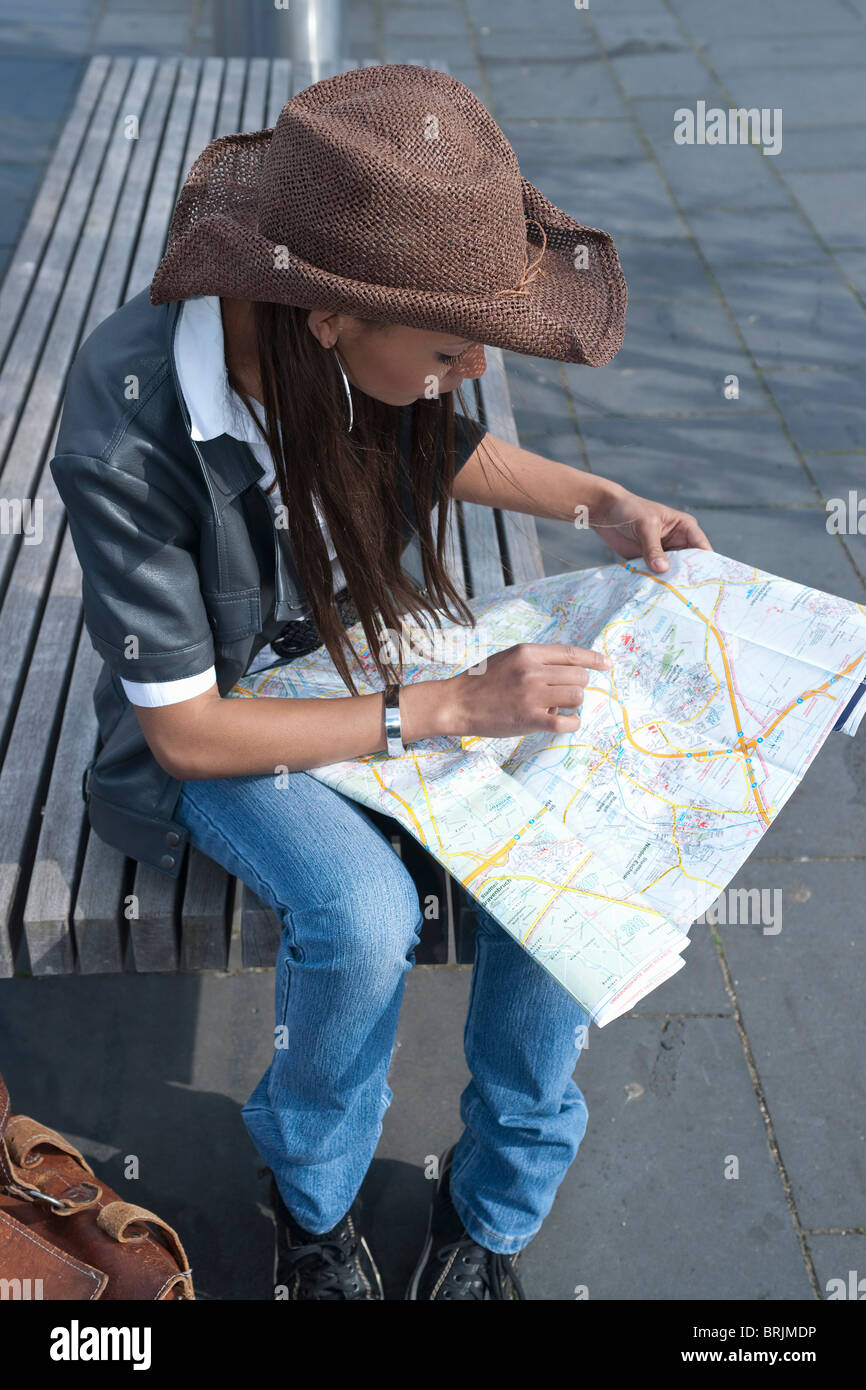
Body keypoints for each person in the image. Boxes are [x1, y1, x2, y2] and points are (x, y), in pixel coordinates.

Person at [50, 64, 711, 1301]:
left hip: (362, 657)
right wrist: (452, 709)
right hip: (230, 717)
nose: (469, 369)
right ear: (328, 322)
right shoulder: (128, 416)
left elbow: (437, 440)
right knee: (360, 916)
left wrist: (599, 502)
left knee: (569, 857)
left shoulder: (338, 352)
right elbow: (188, 732)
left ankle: (491, 1208)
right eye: (449, 344)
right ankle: (310, 1205)